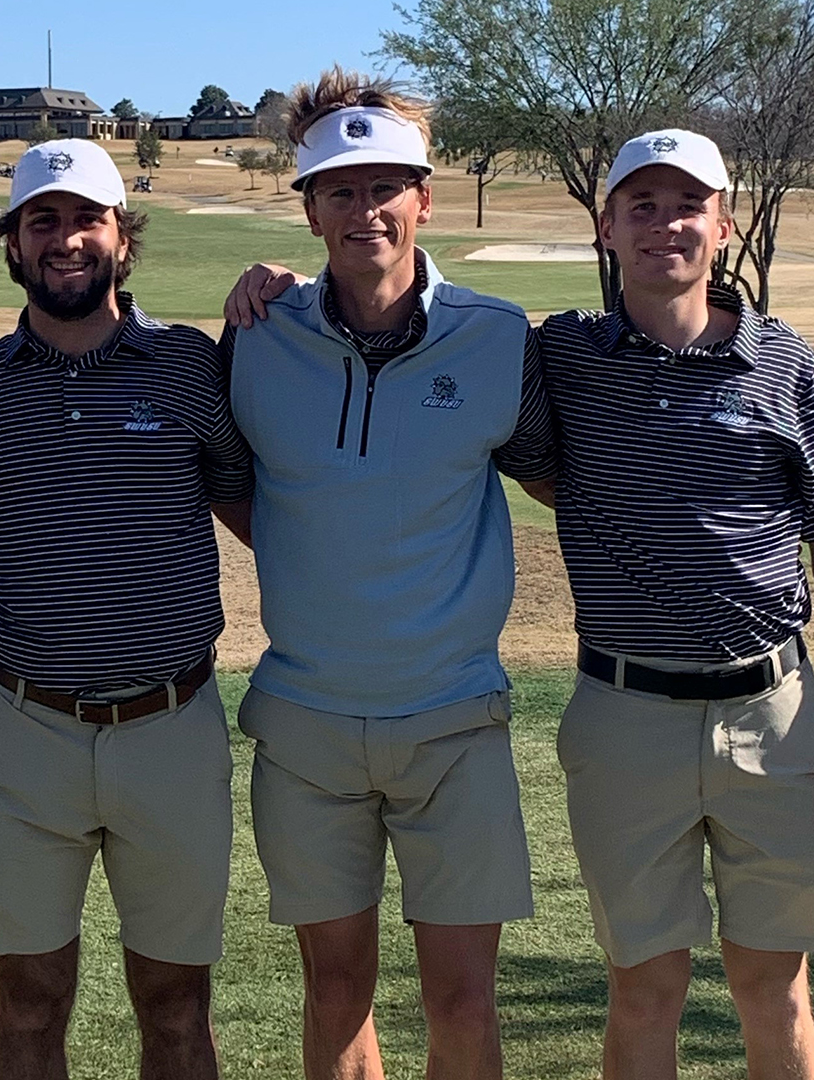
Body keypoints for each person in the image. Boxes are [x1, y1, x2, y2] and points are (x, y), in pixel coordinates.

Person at [534, 129, 814, 1080]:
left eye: (687, 206)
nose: (666, 226)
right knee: (644, 989)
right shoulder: (563, 355)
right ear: (608, 227)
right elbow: (419, 315)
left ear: (724, 226)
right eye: (642, 208)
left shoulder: (785, 363)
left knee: (773, 991)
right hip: (624, 717)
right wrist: (279, 286)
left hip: (776, 717)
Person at [221, 68, 556, 1080]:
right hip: (307, 724)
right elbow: (234, 487)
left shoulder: (498, 340)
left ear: (424, 197)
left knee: (461, 999)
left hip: (454, 719)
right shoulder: (253, 336)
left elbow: (562, 481)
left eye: (385, 186)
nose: (364, 208)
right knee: (333, 994)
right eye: (339, 188)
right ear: (309, 207)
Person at [0, 138, 254, 1080]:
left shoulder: (191, 369)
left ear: (123, 238)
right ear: (15, 245)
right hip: (27, 727)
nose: (65, 239)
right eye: (43, 221)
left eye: (86, 219)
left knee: (176, 1006)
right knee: (27, 1006)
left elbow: (255, 514)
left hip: (173, 722)